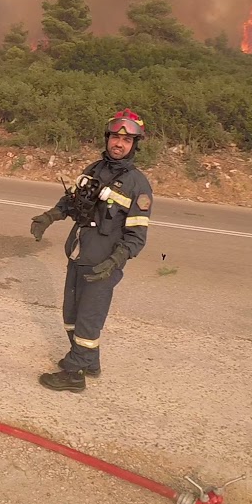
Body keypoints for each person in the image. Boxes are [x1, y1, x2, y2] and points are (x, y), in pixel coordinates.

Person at [30, 109, 153, 393]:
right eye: (114, 137)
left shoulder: (138, 185)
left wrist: (114, 261)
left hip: (103, 262)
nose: (118, 144)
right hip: (79, 253)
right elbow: (70, 201)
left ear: (135, 145)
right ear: (107, 138)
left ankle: (75, 374)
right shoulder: (94, 169)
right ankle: (90, 361)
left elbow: (137, 236)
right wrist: (48, 217)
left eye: (126, 140)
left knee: (88, 317)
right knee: (71, 314)